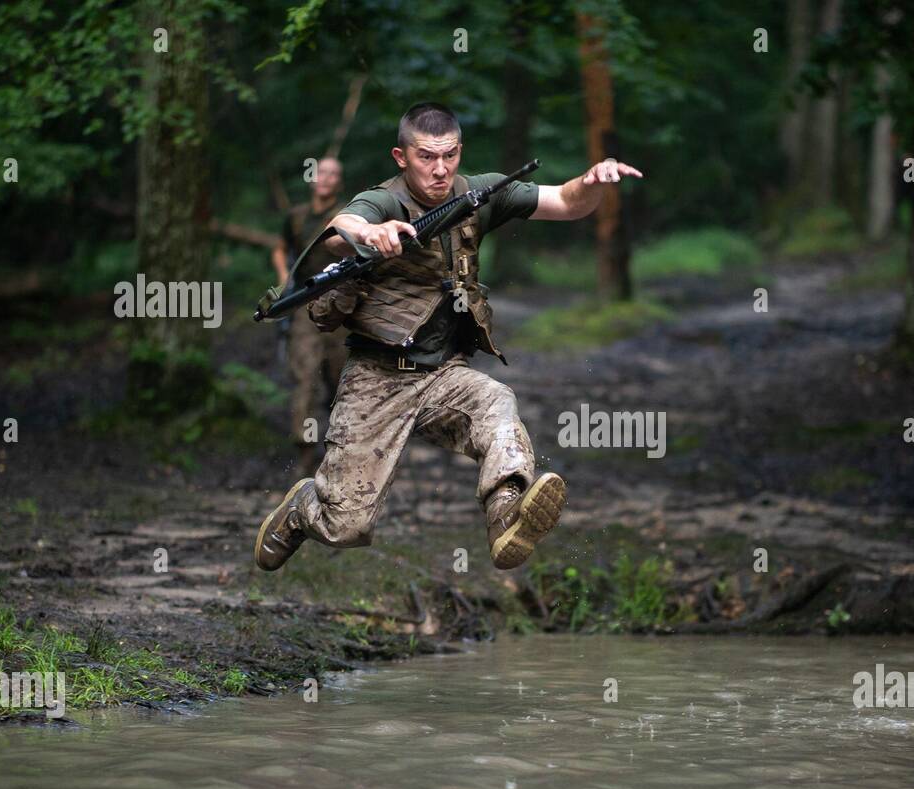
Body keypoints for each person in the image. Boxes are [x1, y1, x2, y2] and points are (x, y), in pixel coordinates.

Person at [254, 102, 643, 572]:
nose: (440, 169)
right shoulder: (385, 200)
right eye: (426, 158)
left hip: (443, 375)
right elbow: (339, 229)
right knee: (347, 526)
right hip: (376, 379)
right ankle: (303, 508)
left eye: (450, 155)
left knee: (495, 401)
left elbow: (565, 201)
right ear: (401, 157)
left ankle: (506, 517)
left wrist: (593, 180)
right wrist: (374, 232)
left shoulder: (479, 193)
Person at [271, 156, 350, 477]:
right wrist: (283, 278)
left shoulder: (348, 216)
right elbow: (280, 248)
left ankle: (340, 455)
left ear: (339, 182)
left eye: (333, 174)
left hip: (341, 309)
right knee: (305, 379)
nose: (326, 178)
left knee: (341, 383)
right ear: (312, 178)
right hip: (305, 305)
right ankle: (305, 459)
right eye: (321, 172)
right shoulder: (297, 217)